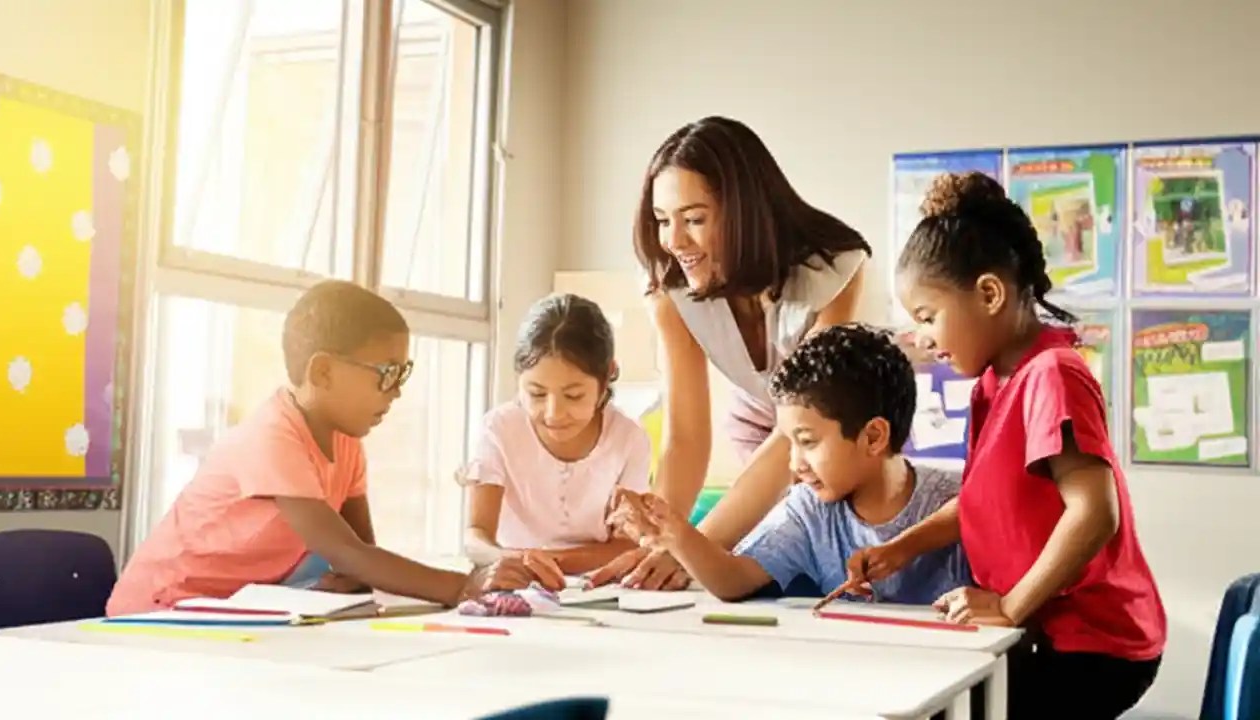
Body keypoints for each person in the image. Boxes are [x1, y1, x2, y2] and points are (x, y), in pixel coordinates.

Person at [855, 172, 1164, 718]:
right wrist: (899, 548)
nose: (921, 338)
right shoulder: (997, 384)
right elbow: (979, 503)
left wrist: (1008, 607)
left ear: (990, 294)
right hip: (1051, 629)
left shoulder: (1053, 375)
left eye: (928, 317)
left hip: (1095, 644)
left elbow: (1095, 513)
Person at [107, 281, 532, 616]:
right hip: (162, 608)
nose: (397, 391)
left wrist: (356, 576)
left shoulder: (346, 442)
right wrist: (462, 585)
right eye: (386, 374)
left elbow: (359, 554)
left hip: (232, 613)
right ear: (323, 371)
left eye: (403, 373)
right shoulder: (272, 435)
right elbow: (346, 551)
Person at [592, 115, 872, 590]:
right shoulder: (670, 290)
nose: (674, 241)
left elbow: (802, 428)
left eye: (695, 219)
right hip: (759, 430)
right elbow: (685, 439)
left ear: (744, 211)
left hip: (839, 436)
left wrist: (691, 547)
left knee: (822, 563)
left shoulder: (833, 269)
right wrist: (659, 543)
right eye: (663, 221)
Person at [606, 324, 968, 604]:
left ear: (873, 437)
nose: (796, 464)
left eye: (808, 442)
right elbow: (733, 580)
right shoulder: (809, 508)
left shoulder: (956, 498)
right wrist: (675, 534)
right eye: (789, 443)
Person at [461, 294, 650, 586]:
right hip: (514, 582)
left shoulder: (629, 439)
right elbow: (475, 537)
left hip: (597, 587)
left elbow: (627, 545)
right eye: (536, 394)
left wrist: (547, 563)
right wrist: (508, 561)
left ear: (607, 376)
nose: (553, 413)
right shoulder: (499, 428)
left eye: (574, 396)